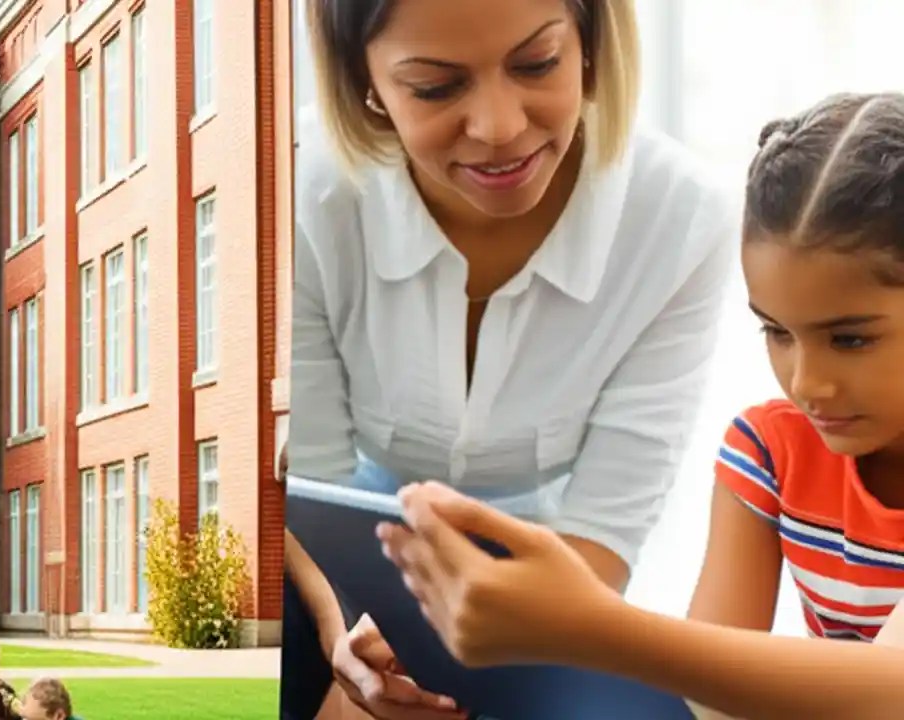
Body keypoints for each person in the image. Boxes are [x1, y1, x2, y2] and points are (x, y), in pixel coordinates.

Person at [377, 92, 904, 720]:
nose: (807, 382)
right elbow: (708, 692)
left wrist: (586, 625)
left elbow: (889, 688)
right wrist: (454, 658)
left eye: (850, 338)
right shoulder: (771, 453)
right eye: (777, 332)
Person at [286, 0, 737, 717]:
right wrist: (349, 636)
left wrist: (452, 649)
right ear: (361, 82)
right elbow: (308, 480)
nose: (499, 129)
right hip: (341, 547)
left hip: (554, 554)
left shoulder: (685, 218)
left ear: (591, 45)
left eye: (537, 64)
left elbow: (603, 531)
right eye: (435, 87)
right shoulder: (302, 184)